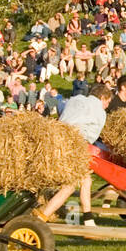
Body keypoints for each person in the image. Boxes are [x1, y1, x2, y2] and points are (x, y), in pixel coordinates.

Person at [34, 83, 114, 225]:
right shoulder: (100, 111)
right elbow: (92, 136)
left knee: (85, 180)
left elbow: (61, 110)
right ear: (102, 97)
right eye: (107, 102)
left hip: (56, 139)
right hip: (75, 145)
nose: (107, 105)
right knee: (69, 186)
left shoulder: (74, 99)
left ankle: (88, 220)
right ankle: (41, 218)